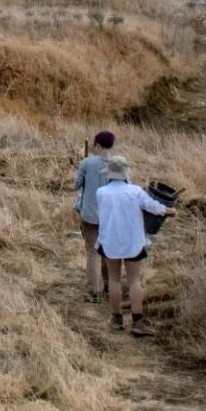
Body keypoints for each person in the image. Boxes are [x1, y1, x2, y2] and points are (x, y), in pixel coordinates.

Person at [95, 156, 177, 338]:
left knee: (114, 280)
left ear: (109, 174)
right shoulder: (136, 191)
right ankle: (138, 322)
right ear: (125, 173)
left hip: (110, 241)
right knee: (134, 281)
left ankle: (116, 320)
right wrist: (170, 211)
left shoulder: (101, 192)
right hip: (133, 241)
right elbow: (153, 207)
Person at [73, 130, 116, 302]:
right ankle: (108, 286)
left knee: (92, 253)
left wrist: (79, 170)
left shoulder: (87, 163)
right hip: (110, 216)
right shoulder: (117, 165)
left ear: (97, 144)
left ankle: (92, 292)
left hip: (89, 214)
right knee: (107, 252)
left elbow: (76, 186)